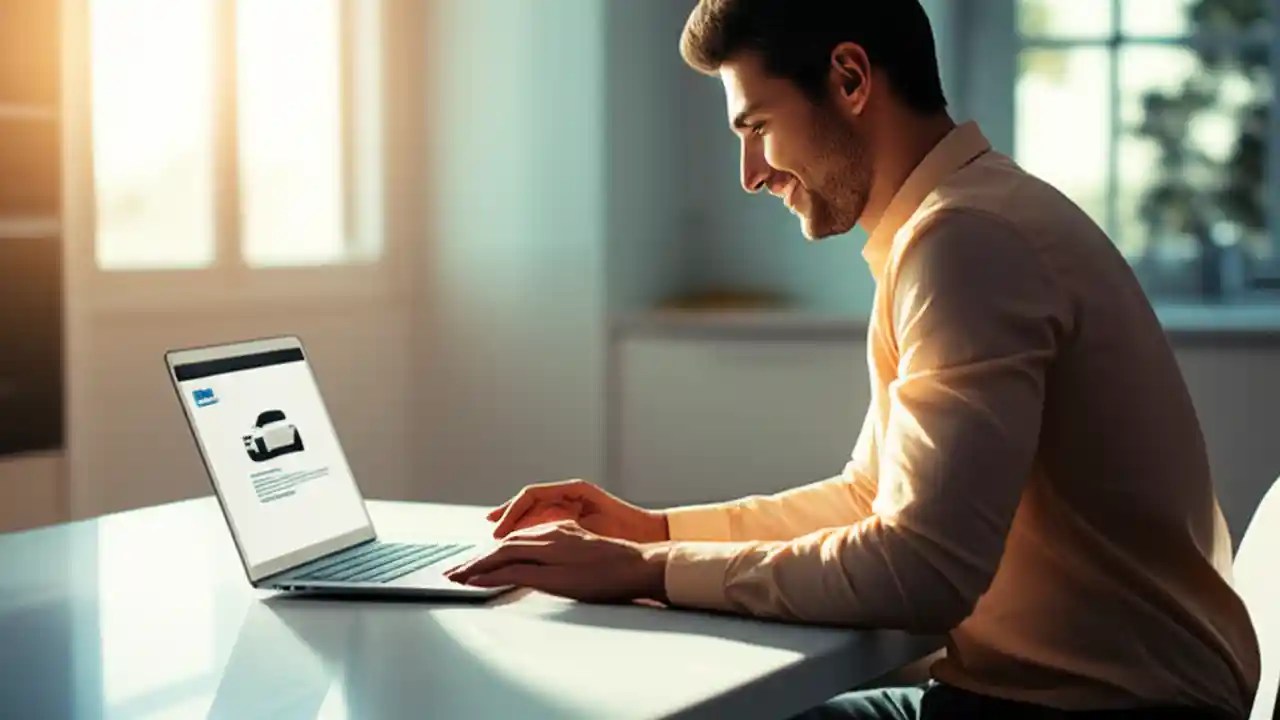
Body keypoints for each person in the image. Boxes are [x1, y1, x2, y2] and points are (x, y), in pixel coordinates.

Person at [445, 1, 1261, 717]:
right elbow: (874, 499)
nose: (750, 174)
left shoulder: (967, 243)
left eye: (757, 126)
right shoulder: (957, 223)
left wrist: (648, 570)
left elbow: (922, 570)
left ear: (849, 78)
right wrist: (652, 531)